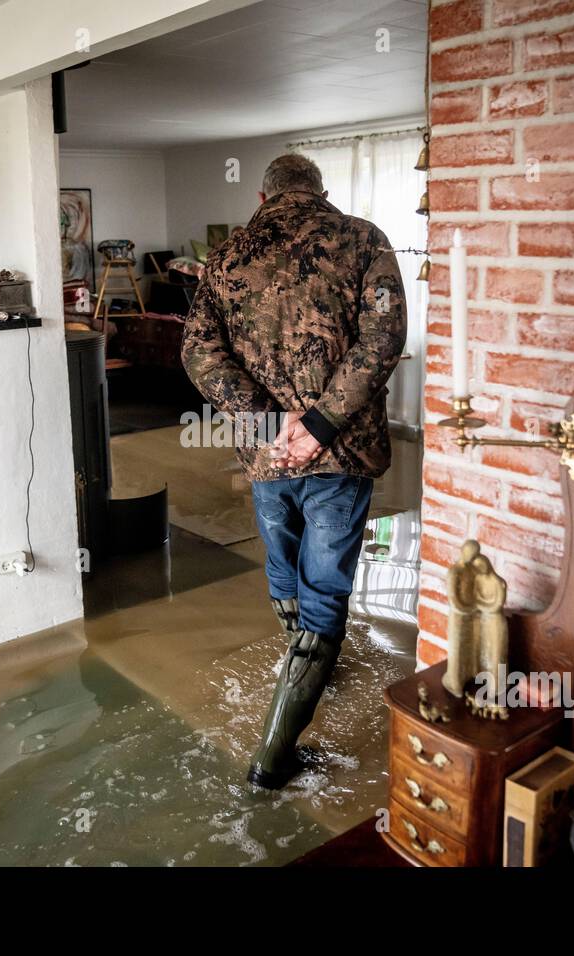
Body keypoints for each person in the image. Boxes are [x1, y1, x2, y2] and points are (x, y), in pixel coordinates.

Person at [181, 153, 407, 789]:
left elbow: (198, 349)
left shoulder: (227, 256)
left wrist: (262, 420)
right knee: (326, 584)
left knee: (283, 563)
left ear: (262, 194)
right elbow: (382, 339)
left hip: (265, 451)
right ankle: (276, 753)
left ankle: (303, 662)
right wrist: (321, 424)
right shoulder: (364, 239)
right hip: (343, 449)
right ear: (321, 191)